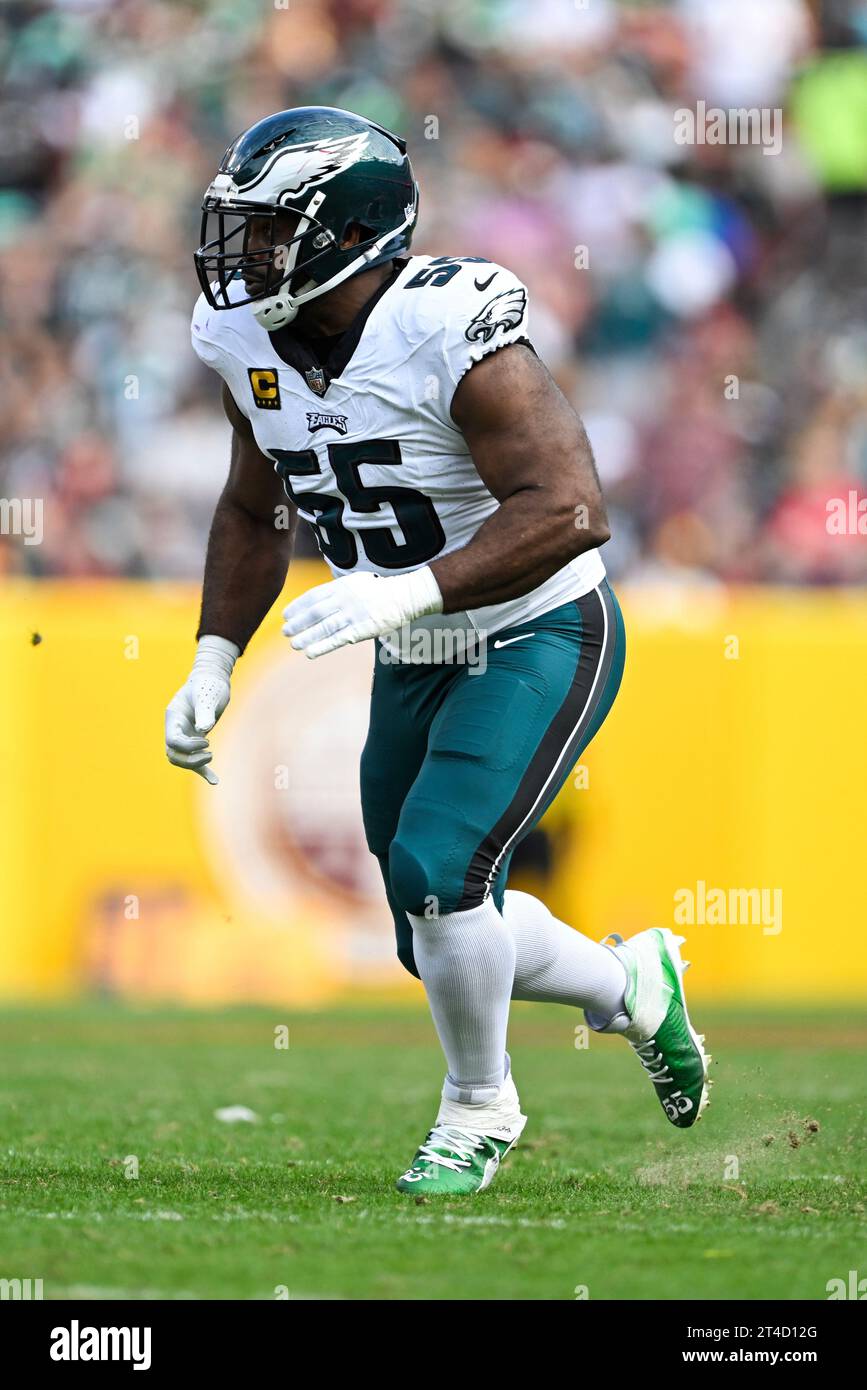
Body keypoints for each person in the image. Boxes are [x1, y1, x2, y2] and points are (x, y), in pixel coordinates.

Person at [166, 106, 710, 1195]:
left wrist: (402, 589)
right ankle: (629, 981)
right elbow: (249, 505)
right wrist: (216, 654)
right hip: (416, 645)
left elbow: (568, 507)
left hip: (537, 624)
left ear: (346, 232)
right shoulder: (242, 339)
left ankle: (478, 1109)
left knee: (438, 869)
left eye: (273, 230)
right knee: (436, 927)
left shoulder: (448, 324)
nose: (248, 253)